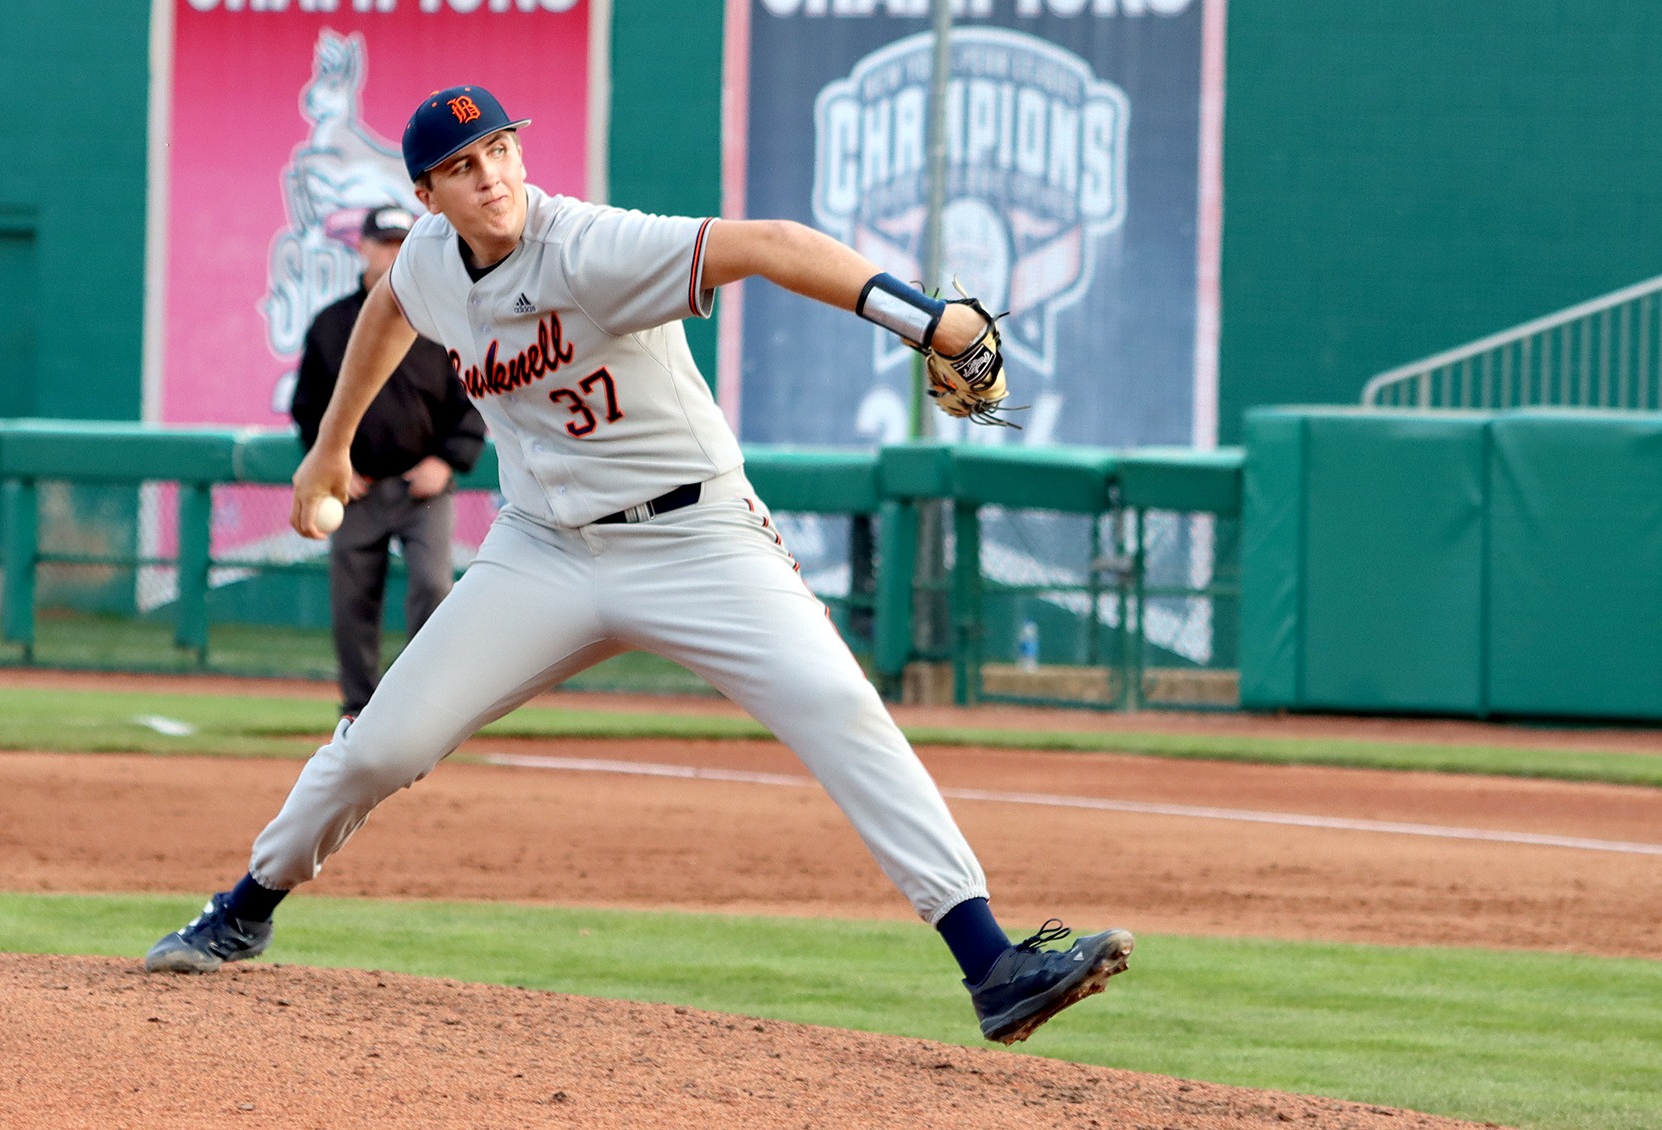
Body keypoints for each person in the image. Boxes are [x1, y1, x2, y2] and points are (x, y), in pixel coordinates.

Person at [146, 86, 1133, 1045]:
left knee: (836, 705)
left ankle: (991, 964)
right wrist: (330, 447)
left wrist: (928, 322)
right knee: (378, 747)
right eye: (459, 167)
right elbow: (388, 313)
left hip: (694, 535)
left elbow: (774, 245)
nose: (489, 176)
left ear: (519, 151)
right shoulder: (433, 265)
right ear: (427, 198)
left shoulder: (588, 244)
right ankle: (242, 905)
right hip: (539, 551)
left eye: (498, 149)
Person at [290, 205, 486, 716]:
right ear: (364, 248)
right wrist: (334, 461)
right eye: (386, 243)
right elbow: (308, 407)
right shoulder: (332, 325)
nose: (395, 253)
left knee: (433, 587)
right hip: (357, 488)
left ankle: (424, 703)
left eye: (404, 244)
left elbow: (473, 399)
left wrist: (447, 461)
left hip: (423, 486)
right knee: (353, 602)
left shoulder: (439, 320)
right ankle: (358, 708)